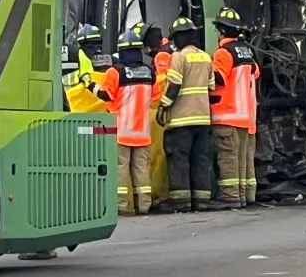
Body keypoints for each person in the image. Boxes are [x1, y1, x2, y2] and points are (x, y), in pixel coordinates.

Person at [156, 16, 223, 213]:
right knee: (201, 159)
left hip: (182, 120)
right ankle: (202, 200)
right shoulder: (205, 57)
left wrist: (162, 107)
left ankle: (181, 202)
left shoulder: (178, 57)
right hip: (203, 119)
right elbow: (211, 86)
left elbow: (173, 86)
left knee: (179, 160)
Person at [88, 30, 158, 215]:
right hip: (142, 132)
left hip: (121, 131)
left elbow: (105, 95)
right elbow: (155, 97)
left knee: (121, 168)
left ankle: (122, 205)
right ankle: (144, 204)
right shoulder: (149, 72)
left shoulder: (115, 72)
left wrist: (90, 85)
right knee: (141, 169)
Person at [210, 7, 261, 207]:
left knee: (228, 158)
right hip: (247, 117)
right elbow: (256, 74)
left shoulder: (223, 53)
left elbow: (218, 78)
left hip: (227, 115)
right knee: (244, 159)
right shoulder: (248, 52)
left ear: (222, 31)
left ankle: (231, 196)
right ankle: (247, 195)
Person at [135, 23, 173, 208]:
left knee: (157, 154)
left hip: (162, 110)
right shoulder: (169, 49)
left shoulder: (162, 55)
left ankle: (159, 193)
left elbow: (164, 81)